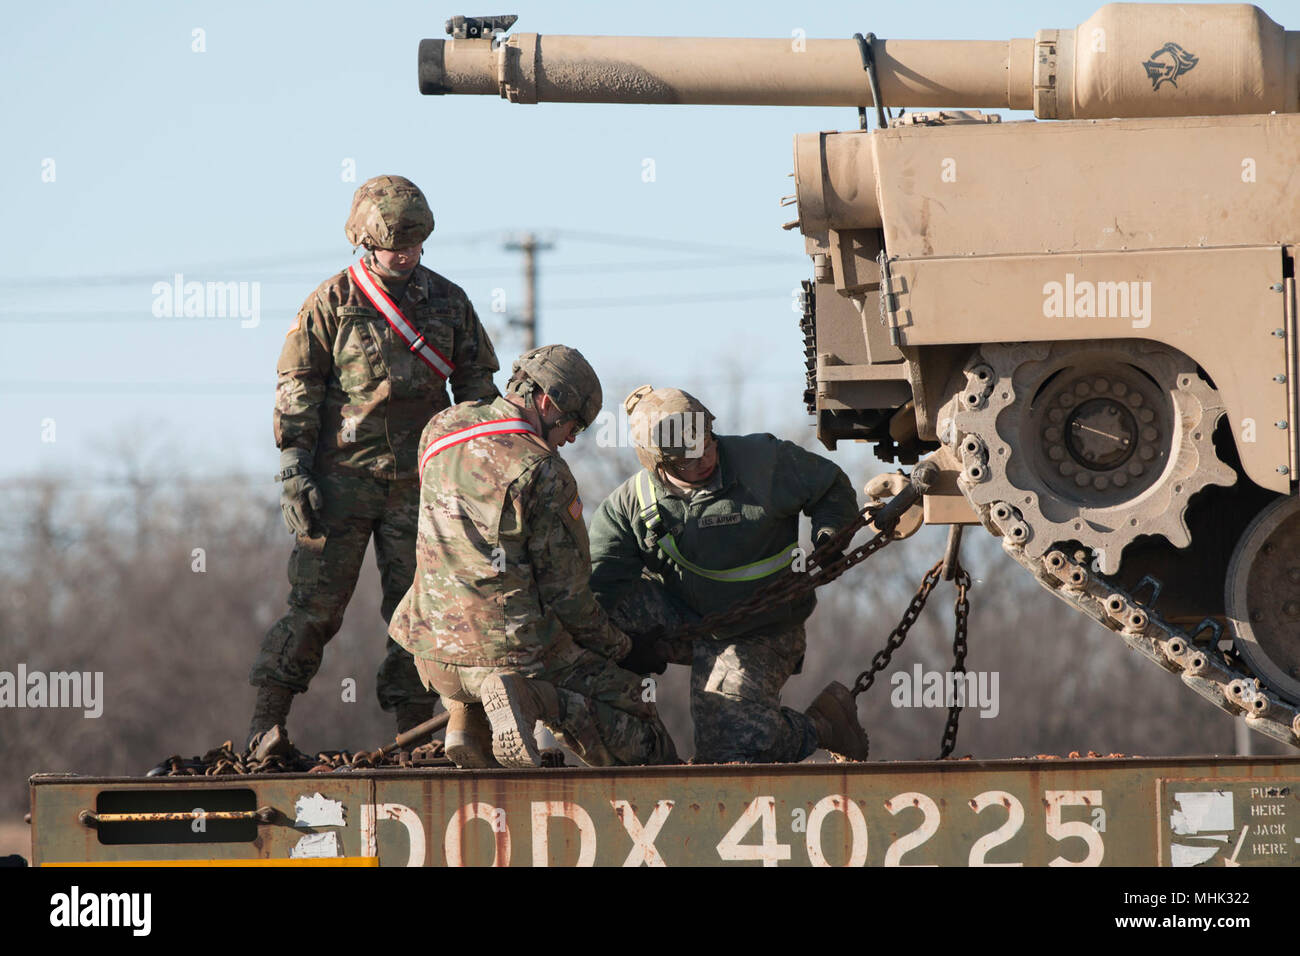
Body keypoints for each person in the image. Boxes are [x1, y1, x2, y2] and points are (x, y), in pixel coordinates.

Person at [247, 175, 500, 746]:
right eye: (395, 246)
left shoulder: (449, 301)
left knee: (418, 616)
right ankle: (267, 725)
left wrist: (479, 471)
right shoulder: (332, 301)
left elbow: (478, 390)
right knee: (315, 608)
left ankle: (415, 735)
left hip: (422, 485)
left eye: (414, 245)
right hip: (341, 482)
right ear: (366, 242)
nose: (406, 255)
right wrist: (294, 466)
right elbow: (299, 385)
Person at [388, 345, 678, 769]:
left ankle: (466, 718)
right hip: (511, 656)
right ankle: (534, 697)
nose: (573, 438)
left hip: (430, 652)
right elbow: (570, 600)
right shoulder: (545, 471)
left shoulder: (441, 428)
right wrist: (623, 648)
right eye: (575, 424)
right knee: (639, 718)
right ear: (548, 401)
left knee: (478, 672)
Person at [588, 385, 871, 763]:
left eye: (707, 442)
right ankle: (639, 744)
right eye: (687, 459)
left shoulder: (764, 462)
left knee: (730, 749)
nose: (704, 458)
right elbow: (597, 586)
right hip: (684, 618)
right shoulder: (629, 507)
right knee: (589, 622)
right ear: (658, 465)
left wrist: (830, 535)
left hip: (763, 626)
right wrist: (621, 646)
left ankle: (825, 726)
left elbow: (829, 486)